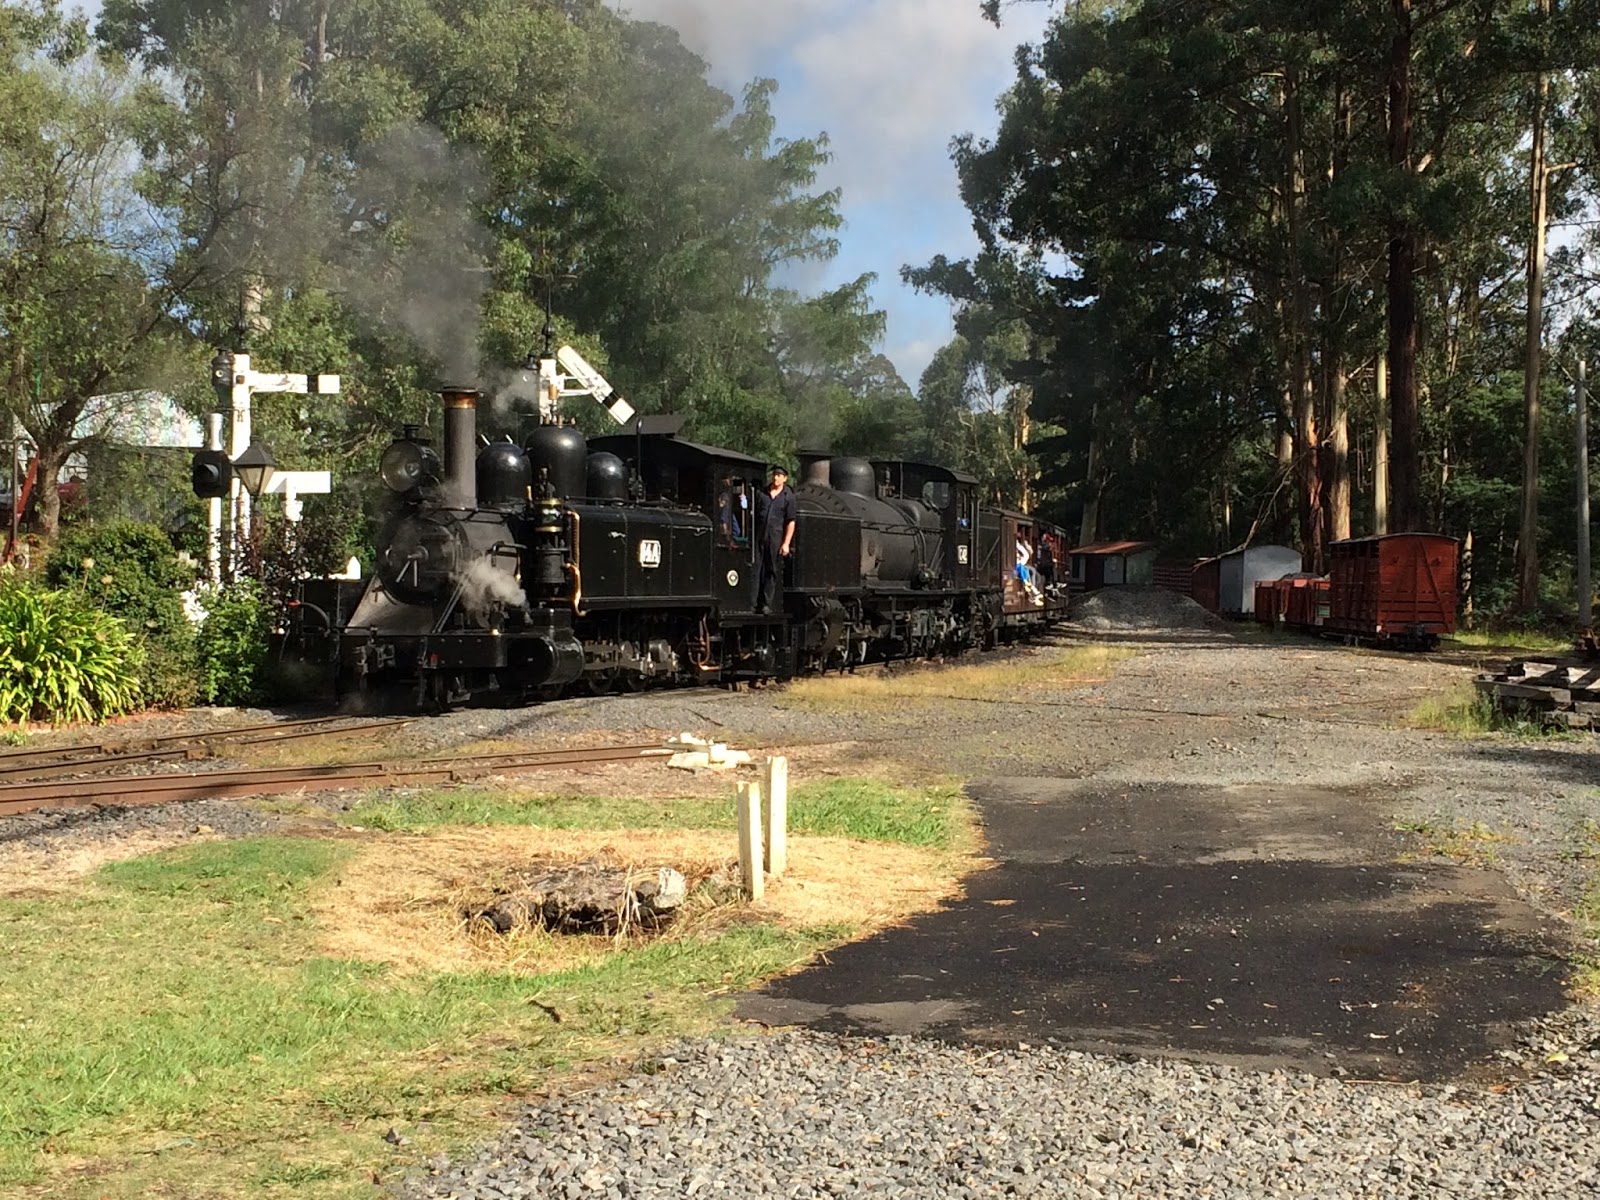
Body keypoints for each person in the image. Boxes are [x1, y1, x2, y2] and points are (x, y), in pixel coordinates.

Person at [752, 464, 796, 613]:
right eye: (774, 475)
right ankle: (753, 600)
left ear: (785, 478)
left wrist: (786, 543)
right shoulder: (762, 494)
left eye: (779, 475)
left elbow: (790, 521)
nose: (775, 478)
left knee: (771, 569)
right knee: (756, 567)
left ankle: (766, 603)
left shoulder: (788, 497)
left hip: (775, 536)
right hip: (759, 534)